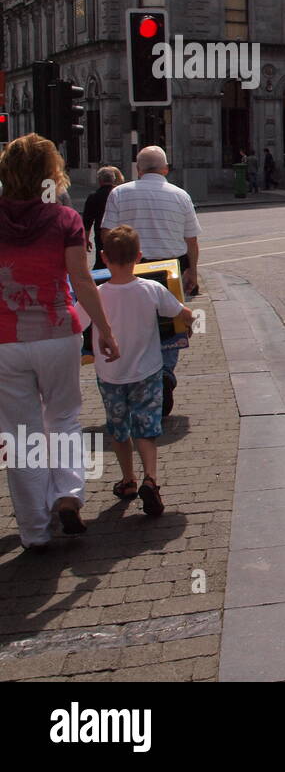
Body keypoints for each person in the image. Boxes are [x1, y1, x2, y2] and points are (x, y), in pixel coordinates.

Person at [0, 134, 119, 549]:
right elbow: (82, 280)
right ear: (51, 174)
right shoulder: (64, 219)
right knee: (64, 418)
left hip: (5, 341)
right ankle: (68, 494)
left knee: (22, 435)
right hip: (57, 333)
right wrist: (103, 329)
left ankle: (34, 532)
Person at [77, 226, 194, 518]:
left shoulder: (97, 294)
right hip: (148, 371)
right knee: (146, 428)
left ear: (103, 257)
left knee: (118, 428)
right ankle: (150, 479)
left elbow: (74, 324)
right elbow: (181, 312)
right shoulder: (152, 289)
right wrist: (189, 320)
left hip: (110, 374)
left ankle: (127, 479)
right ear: (139, 256)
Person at [102, 145, 202, 414]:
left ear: (138, 169)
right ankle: (166, 373)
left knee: (134, 325)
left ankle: (136, 376)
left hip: (134, 267)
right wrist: (192, 270)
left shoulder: (119, 193)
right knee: (171, 325)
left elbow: (107, 233)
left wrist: (113, 265)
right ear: (166, 169)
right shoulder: (181, 195)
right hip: (171, 271)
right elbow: (191, 240)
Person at [82, 165, 124, 270]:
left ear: (100, 180)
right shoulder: (120, 194)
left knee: (101, 260)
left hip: (101, 233)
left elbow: (87, 221)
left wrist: (86, 239)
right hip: (121, 231)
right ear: (114, 179)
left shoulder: (94, 196)